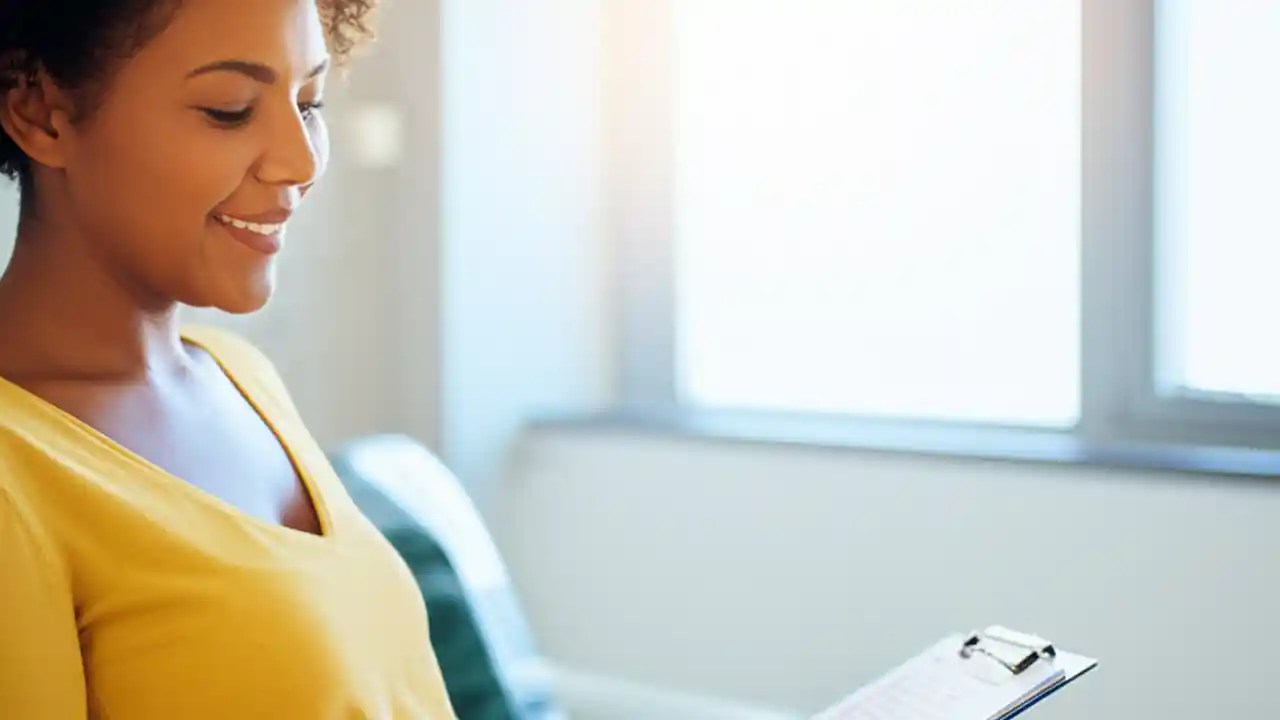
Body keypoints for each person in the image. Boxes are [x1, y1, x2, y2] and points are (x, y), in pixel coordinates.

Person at [0, 0, 457, 716]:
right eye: (229, 109)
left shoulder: (242, 377)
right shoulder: (14, 474)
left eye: (308, 102)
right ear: (40, 110)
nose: (300, 162)